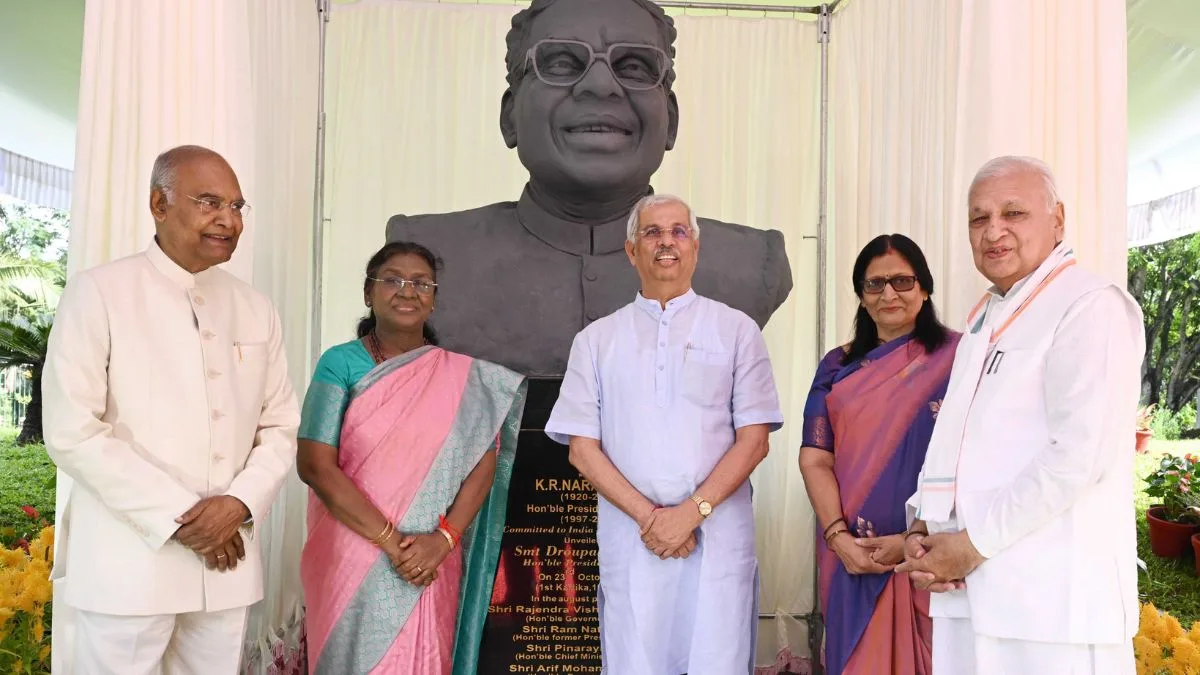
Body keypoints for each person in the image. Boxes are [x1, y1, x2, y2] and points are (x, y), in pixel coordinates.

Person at [386, 0, 792, 377]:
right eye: (562, 63)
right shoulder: (424, 256)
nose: (601, 86)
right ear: (510, 116)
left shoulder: (752, 264)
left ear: (670, 119)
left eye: (634, 67)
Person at [41, 145, 299, 673]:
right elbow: (72, 430)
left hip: (226, 566)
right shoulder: (99, 292)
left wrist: (239, 504)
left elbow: (279, 425)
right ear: (159, 205)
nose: (228, 219)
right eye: (209, 202)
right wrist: (184, 520)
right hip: (127, 565)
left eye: (236, 206)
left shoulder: (256, 307)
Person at [898, 156, 1144, 674]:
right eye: (979, 218)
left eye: (1013, 213)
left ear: (1058, 219)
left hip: (1053, 607)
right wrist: (922, 524)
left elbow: (1078, 457)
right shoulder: (986, 316)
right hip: (971, 594)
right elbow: (957, 438)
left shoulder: (1089, 305)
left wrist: (970, 546)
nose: (994, 231)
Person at [544, 194, 783, 674]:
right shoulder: (596, 340)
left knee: (718, 658)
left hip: (716, 538)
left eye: (678, 231)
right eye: (652, 232)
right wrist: (653, 520)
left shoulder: (736, 330)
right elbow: (582, 450)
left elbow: (755, 439)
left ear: (695, 246)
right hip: (635, 538)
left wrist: (691, 514)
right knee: (635, 659)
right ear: (631, 251)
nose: (666, 242)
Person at [297, 241, 527, 675]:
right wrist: (392, 543)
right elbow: (314, 464)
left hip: (431, 555)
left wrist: (443, 541)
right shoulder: (340, 363)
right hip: (352, 551)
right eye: (392, 280)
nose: (407, 291)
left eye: (421, 283)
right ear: (369, 293)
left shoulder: (461, 378)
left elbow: (483, 465)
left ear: (434, 299)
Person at [799, 234, 959, 675]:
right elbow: (815, 457)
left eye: (902, 281)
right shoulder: (837, 366)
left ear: (924, 288)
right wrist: (838, 538)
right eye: (875, 284)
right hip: (853, 555)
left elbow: (979, 458)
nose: (889, 293)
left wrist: (914, 538)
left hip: (931, 553)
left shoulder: (960, 358)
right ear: (861, 296)